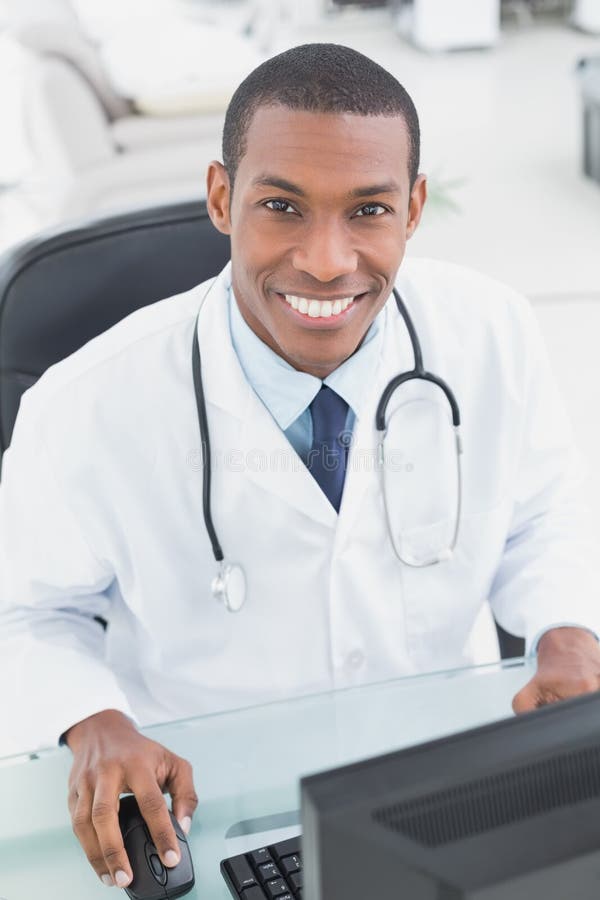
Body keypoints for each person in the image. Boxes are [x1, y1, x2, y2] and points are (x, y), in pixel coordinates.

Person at [1, 42, 600, 890]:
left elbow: (543, 514)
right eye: (282, 206)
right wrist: (91, 720)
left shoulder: (491, 331)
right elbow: (30, 612)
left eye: (368, 210)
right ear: (222, 198)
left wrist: (568, 632)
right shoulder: (85, 402)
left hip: (447, 788)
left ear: (414, 208)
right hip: (209, 809)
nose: (326, 260)